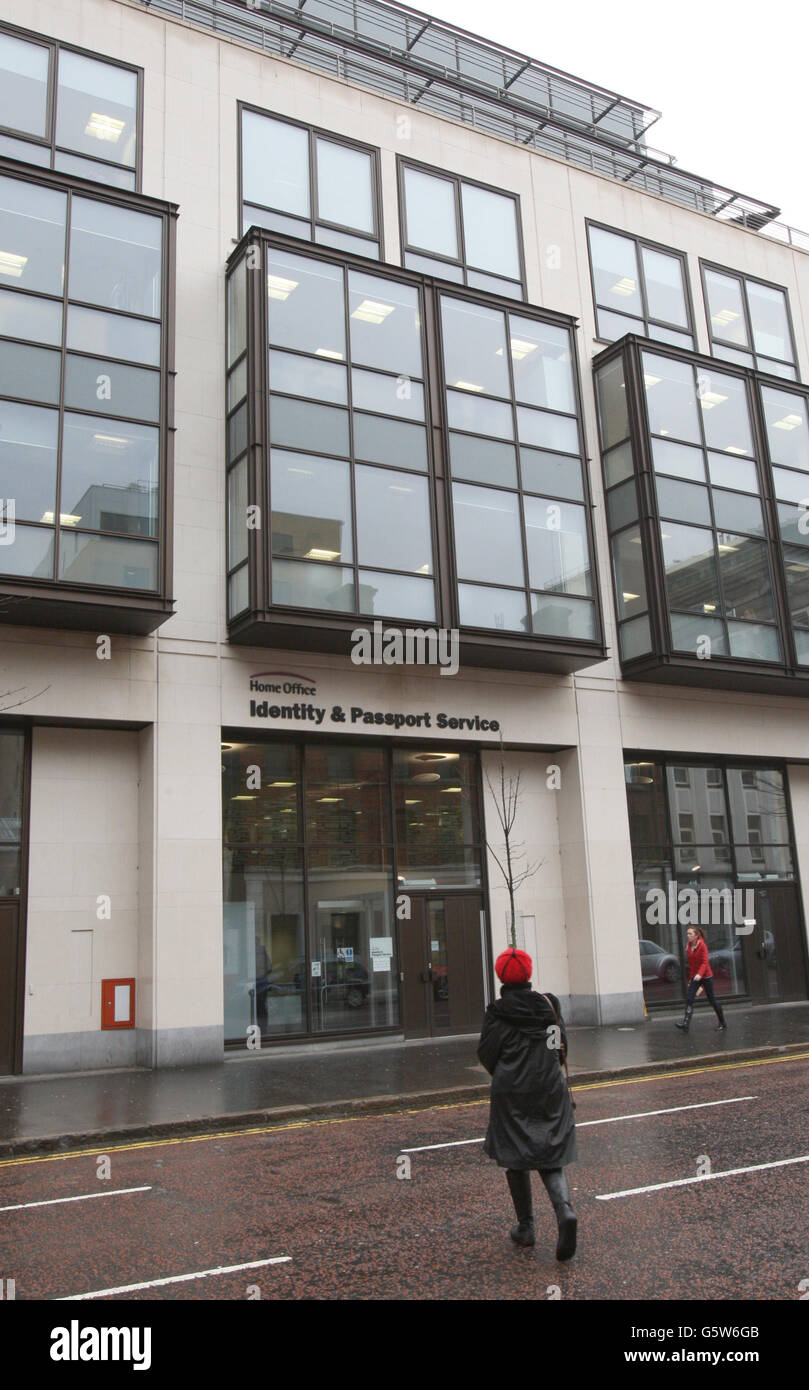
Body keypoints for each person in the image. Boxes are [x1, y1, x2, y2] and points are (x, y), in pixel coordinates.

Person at [477, 948, 578, 1260]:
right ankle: (564, 1213)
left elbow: (487, 1054)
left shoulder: (497, 1012)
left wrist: (509, 1071)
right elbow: (557, 1045)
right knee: (549, 1155)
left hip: (513, 1092)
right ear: (529, 974)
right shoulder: (548, 1006)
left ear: (500, 976)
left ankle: (527, 1227)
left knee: (514, 1154)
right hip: (549, 1088)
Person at [675, 925, 726, 1032]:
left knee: (712, 1000)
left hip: (706, 976)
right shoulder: (688, 946)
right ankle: (686, 1024)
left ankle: (722, 1022)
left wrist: (700, 974)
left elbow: (705, 962)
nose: (688, 936)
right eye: (687, 934)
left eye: (690, 934)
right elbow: (691, 964)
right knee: (689, 999)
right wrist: (692, 977)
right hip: (695, 976)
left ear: (696, 935)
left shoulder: (702, 945)